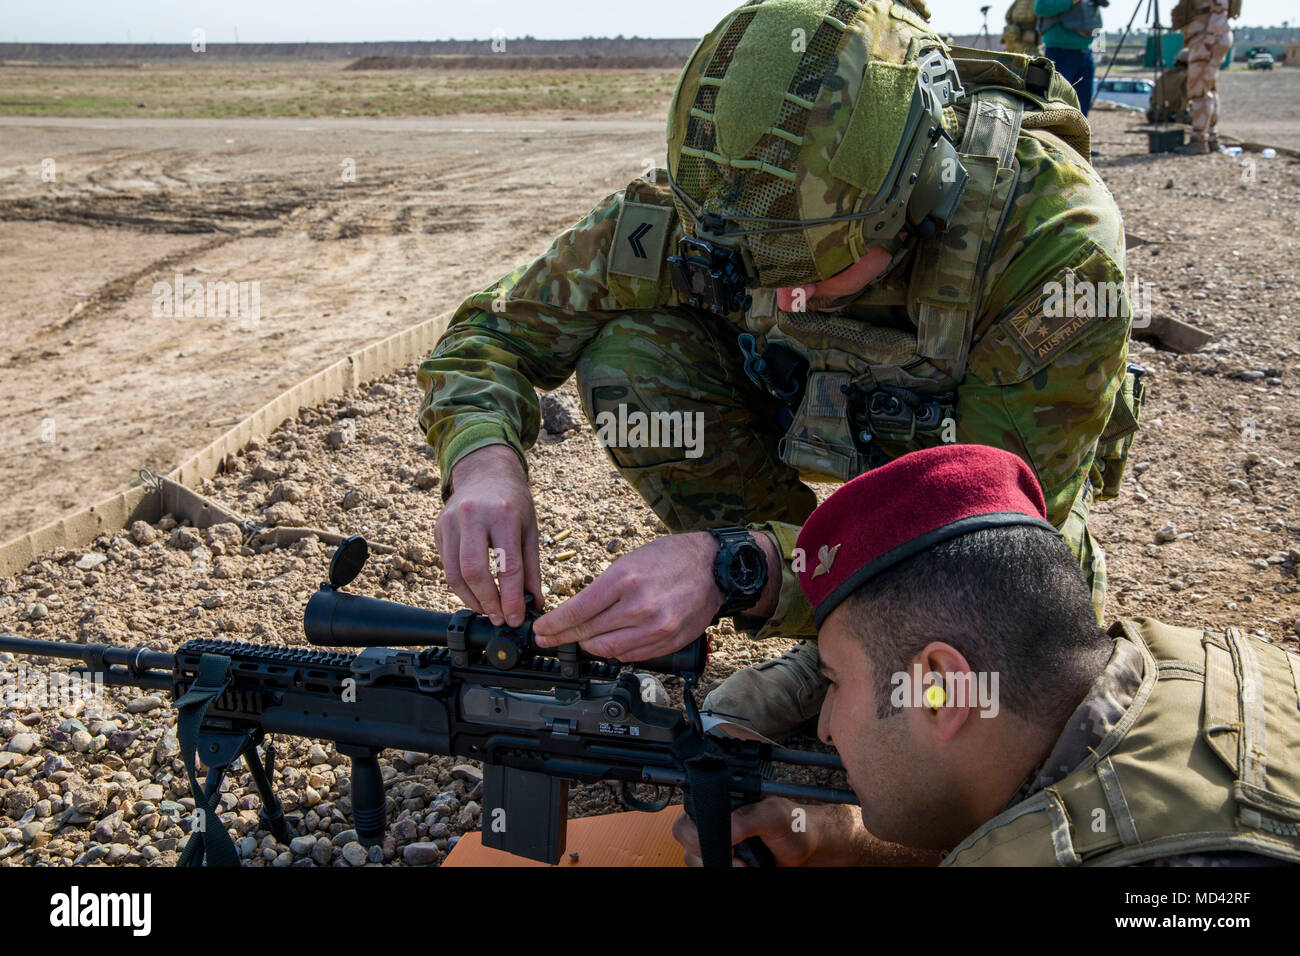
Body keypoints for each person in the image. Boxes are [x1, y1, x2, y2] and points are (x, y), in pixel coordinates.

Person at [418, 0, 1141, 741]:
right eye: (754, 269)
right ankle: (835, 633)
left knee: (983, 693)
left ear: (922, 191)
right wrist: (484, 462)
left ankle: (852, 645)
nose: (776, 296)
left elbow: (991, 540)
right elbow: (492, 330)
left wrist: (740, 566)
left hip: (988, 535)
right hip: (856, 503)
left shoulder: (1052, 241)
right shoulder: (717, 207)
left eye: (810, 268)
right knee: (632, 356)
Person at [673, 444, 1300, 866]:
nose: (827, 726)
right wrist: (834, 837)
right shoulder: (1187, 668)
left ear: (939, 687)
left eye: (834, 682)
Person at [1176, 0, 1236, 153]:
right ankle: (1210, 136)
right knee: (1209, 87)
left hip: (1206, 37)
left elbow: (1220, 7)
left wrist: (1209, 38)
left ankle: (1199, 138)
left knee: (1199, 90)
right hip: (1208, 35)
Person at [1033, 0, 1104, 115]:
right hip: (1060, 52)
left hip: (1085, 52)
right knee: (1057, 103)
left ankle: (1079, 131)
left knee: (1082, 104)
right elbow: (1040, 8)